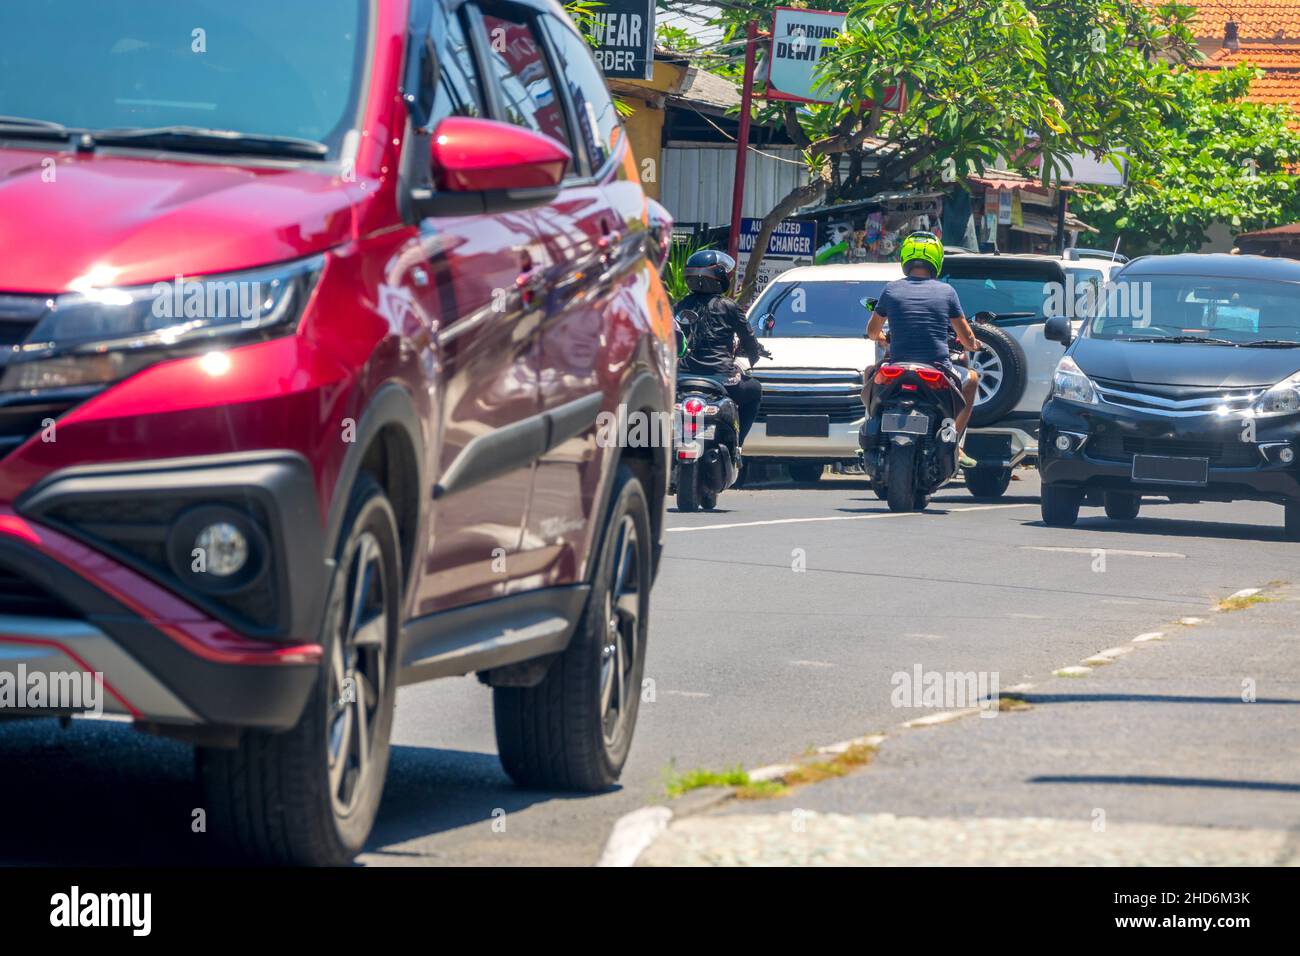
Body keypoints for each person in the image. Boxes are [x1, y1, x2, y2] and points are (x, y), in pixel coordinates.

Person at [865, 231, 980, 467]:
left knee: (869, 373)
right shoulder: (947, 292)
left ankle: (870, 432)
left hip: (896, 366)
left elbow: (871, 332)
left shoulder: (891, 290)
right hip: (937, 368)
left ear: (905, 258)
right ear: (936, 260)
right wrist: (973, 345)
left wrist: (884, 338)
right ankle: (955, 442)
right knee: (973, 379)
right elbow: (966, 336)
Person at [674, 249, 769, 447]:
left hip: (682, 377)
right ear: (719, 277)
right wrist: (754, 354)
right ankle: (738, 445)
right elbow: (749, 339)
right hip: (723, 379)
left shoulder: (680, 306)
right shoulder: (729, 307)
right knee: (755, 390)